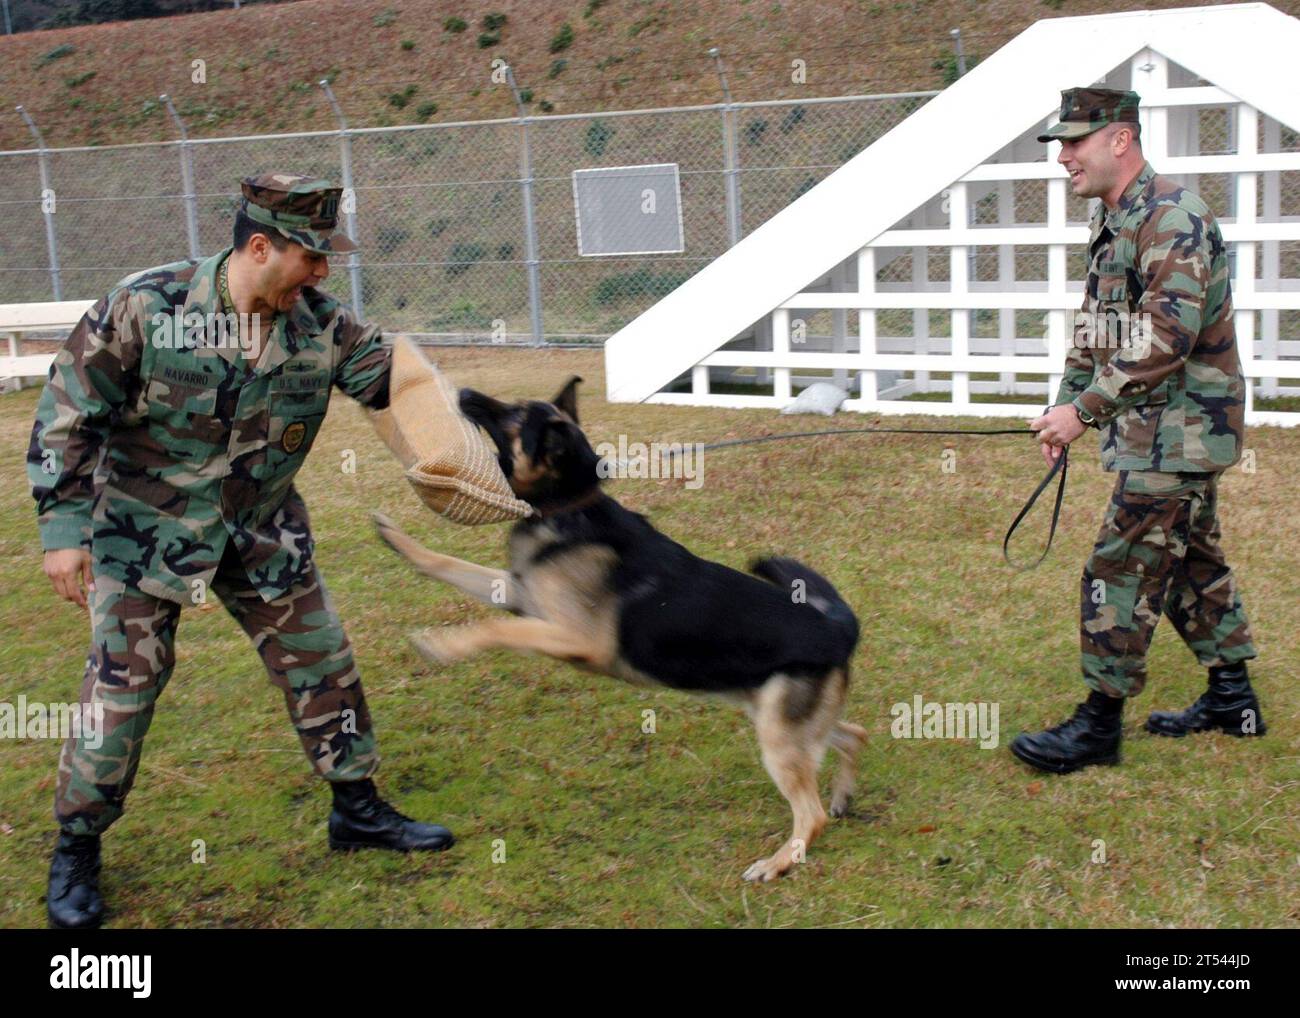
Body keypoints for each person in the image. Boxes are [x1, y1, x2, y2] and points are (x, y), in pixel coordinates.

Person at [29, 172, 453, 930]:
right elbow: (68, 413)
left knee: (323, 661)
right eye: (312, 257)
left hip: (260, 532)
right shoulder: (147, 306)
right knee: (123, 695)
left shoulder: (320, 325)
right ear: (260, 247)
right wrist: (63, 533)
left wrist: (494, 441)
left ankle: (356, 810)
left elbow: (400, 384)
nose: (324, 272)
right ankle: (77, 848)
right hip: (141, 534)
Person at [1011, 88, 1263, 774]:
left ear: (1119, 140)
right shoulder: (1118, 219)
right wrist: (1066, 408)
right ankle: (1233, 698)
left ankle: (1097, 726)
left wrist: (1086, 411)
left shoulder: (1172, 217)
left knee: (1118, 568)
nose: (1063, 158)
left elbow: (1164, 339)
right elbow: (1095, 331)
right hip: (1157, 430)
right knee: (1188, 560)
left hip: (1181, 430)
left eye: (1073, 143)